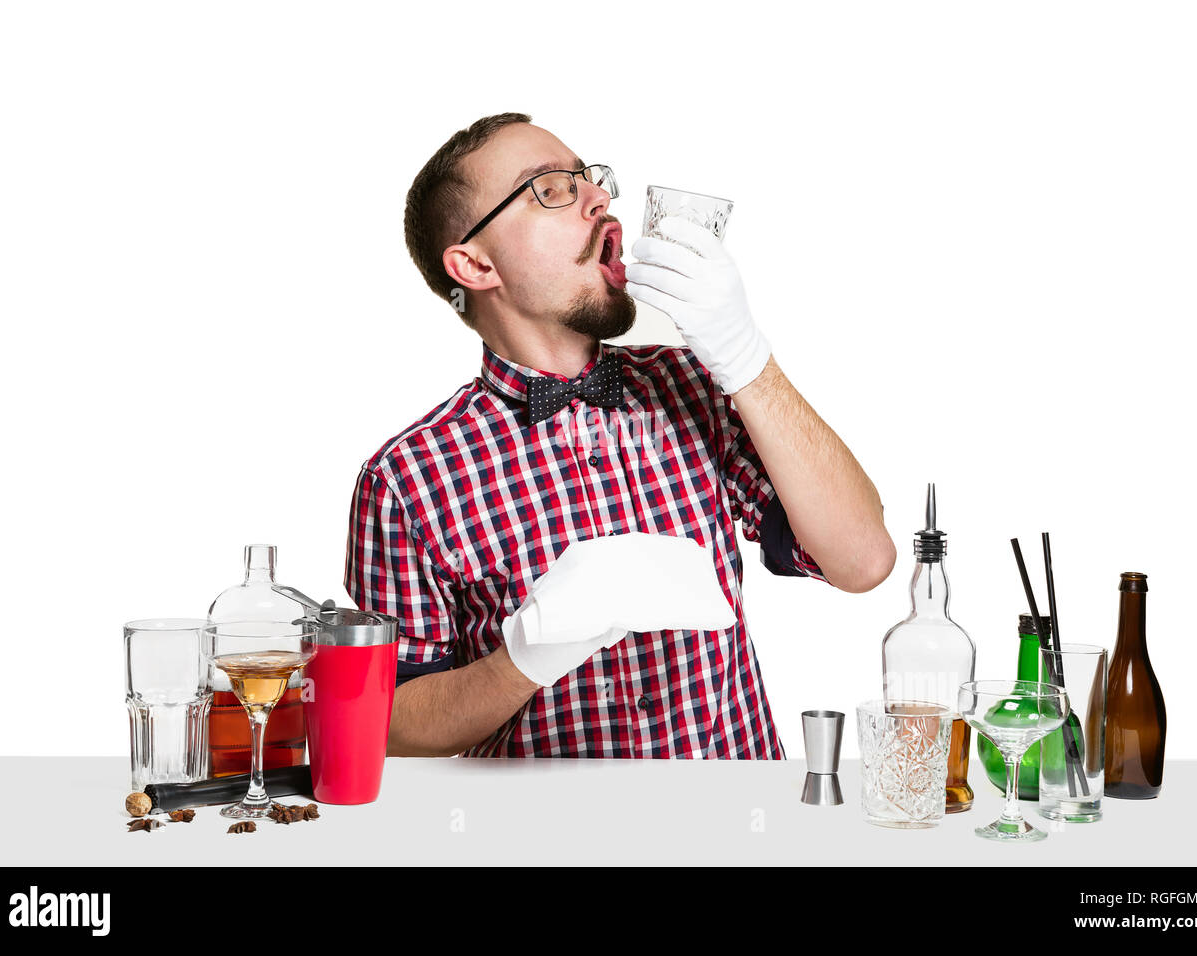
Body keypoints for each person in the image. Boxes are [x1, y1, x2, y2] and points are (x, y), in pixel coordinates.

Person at [345, 112, 896, 758]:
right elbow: (388, 722)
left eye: (590, 180)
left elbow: (863, 561)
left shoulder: (696, 387)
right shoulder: (406, 478)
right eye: (550, 189)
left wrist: (748, 360)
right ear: (473, 264)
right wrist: (520, 660)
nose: (599, 198)